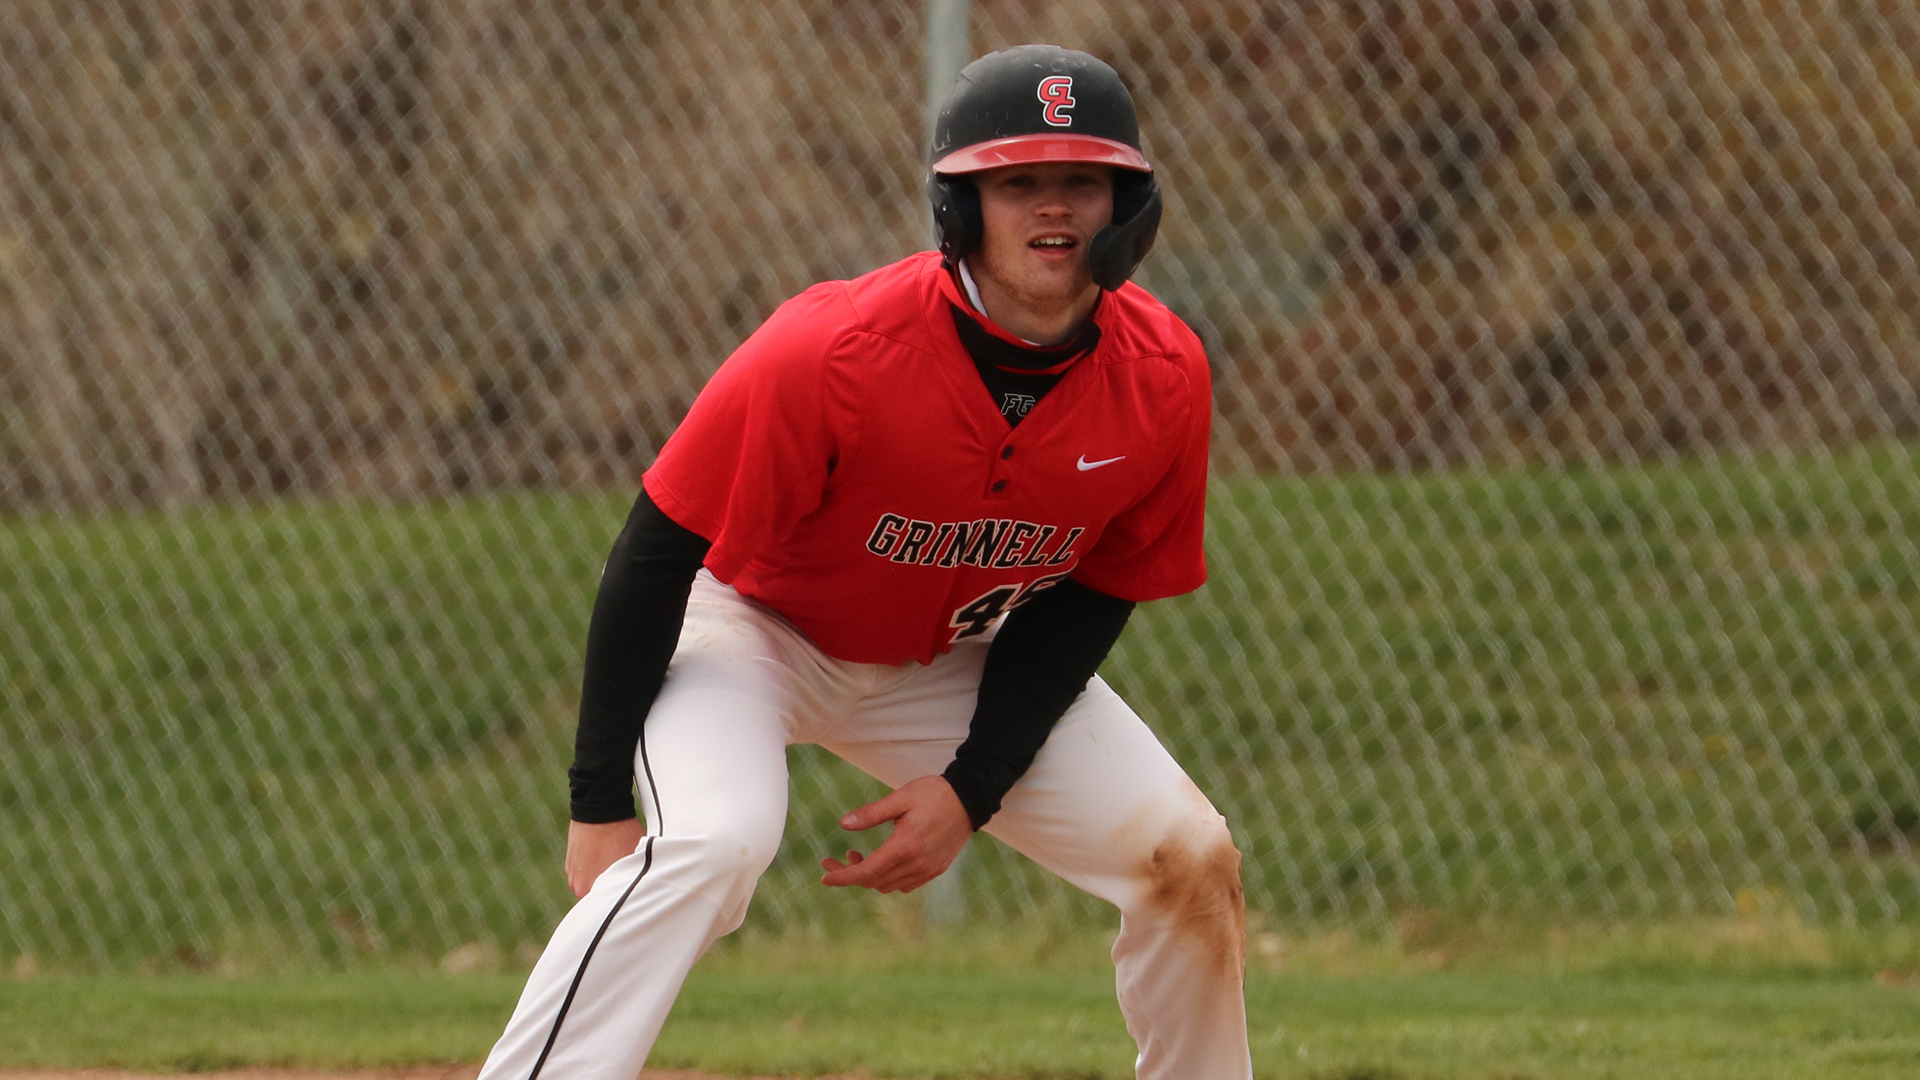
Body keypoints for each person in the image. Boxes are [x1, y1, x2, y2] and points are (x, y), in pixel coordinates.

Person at [476, 44, 1251, 1080]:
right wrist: (597, 802)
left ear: (1130, 207)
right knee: (713, 840)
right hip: (755, 632)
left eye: (1081, 181)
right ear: (960, 208)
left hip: (951, 654)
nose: (1052, 209)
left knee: (1189, 858)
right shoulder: (832, 350)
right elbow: (655, 553)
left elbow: (1093, 597)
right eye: (1017, 183)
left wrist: (971, 788)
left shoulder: (1164, 375)